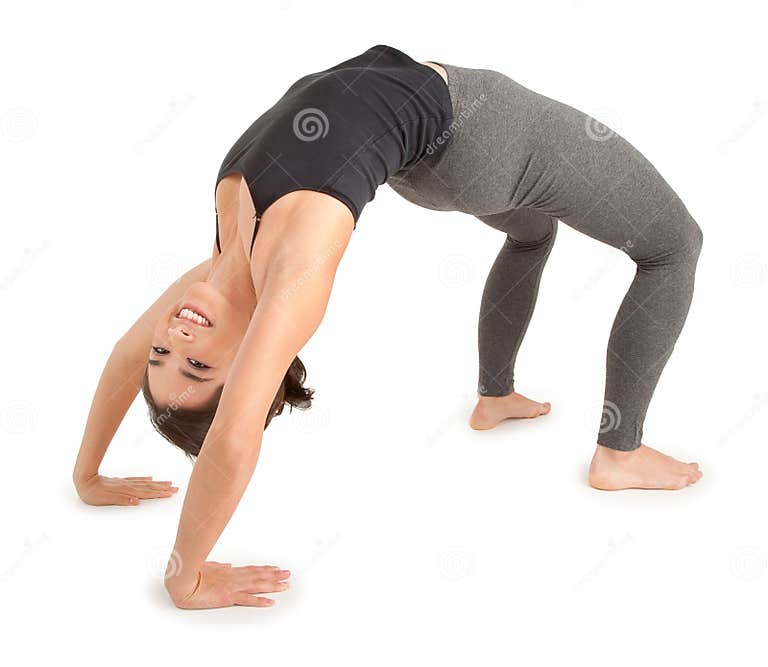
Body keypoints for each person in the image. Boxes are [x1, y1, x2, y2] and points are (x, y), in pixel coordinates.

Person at [73, 44, 703, 610]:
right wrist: (185, 580)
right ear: (248, 364)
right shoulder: (292, 278)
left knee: (530, 231)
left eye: (166, 352)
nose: (176, 340)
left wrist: (88, 474)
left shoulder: (220, 265)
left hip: (432, 161)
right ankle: (620, 454)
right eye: (199, 366)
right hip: (477, 128)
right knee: (674, 245)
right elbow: (234, 437)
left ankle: (495, 396)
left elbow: (125, 355)